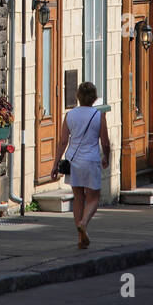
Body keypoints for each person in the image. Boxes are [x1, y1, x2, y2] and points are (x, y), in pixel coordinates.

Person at [51, 82, 111, 249]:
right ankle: (84, 223)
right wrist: (107, 157)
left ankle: (80, 237)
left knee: (78, 198)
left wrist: (55, 164)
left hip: (73, 160)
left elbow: (63, 141)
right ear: (94, 97)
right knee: (93, 198)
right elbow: (105, 142)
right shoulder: (98, 115)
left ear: (78, 96)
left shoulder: (70, 115)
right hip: (91, 160)